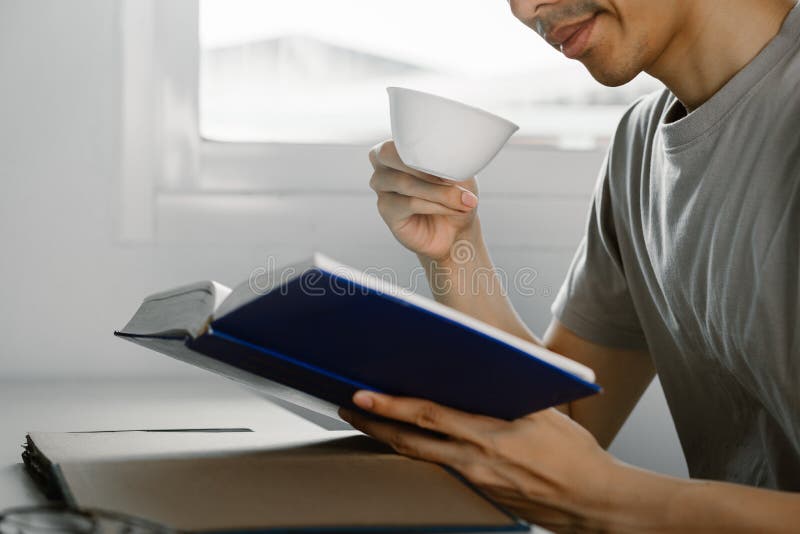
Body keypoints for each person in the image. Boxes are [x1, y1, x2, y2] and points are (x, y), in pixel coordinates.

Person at [338, 0, 800, 531]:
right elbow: (560, 424)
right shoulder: (640, 146)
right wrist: (454, 248)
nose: (524, 8)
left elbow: (578, 481)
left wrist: (607, 499)